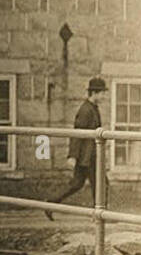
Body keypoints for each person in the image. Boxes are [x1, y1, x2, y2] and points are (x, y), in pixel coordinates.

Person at [44, 77, 106, 221]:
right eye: (102, 93)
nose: (104, 96)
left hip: (88, 155)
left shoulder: (93, 108)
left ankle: (51, 203)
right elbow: (76, 134)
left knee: (77, 184)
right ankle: (100, 216)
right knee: (101, 184)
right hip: (88, 156)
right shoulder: (85, 110)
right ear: (94, 93)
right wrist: (72, 156)